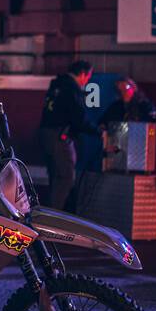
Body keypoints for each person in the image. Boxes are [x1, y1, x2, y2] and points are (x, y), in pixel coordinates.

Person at [37, 60, 100, 210]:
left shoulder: (57, 85)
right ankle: (55, 216)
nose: (88, 80)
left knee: (55, 176)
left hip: (46, 135)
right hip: (60, 137)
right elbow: (78, 119)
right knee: (65, 177)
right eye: (88, 77)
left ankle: (51, 212)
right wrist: (98, 131)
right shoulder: (71, 88)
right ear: (83, 74)